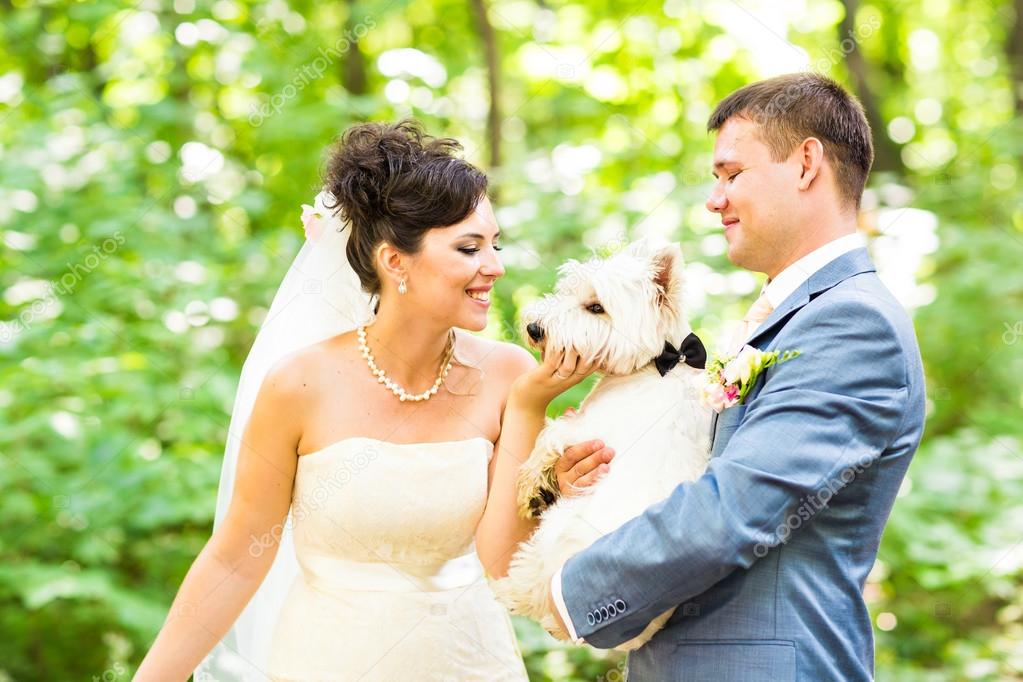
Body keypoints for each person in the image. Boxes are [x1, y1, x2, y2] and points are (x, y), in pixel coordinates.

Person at [134, 121, 611, 681]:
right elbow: (236, 559)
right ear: (394, 262)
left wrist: (531, 408)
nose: (495, 266)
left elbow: (504, 563)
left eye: (495, 245)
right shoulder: (299, 385)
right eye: (468, 247)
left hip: (471, 662)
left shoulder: (510, 375)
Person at [545, 73, 926, 680]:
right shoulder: (792, 317)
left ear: (806, 164)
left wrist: (573, 589)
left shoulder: (852, 322)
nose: (713, 199)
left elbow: (736, 510)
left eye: (731, 174)